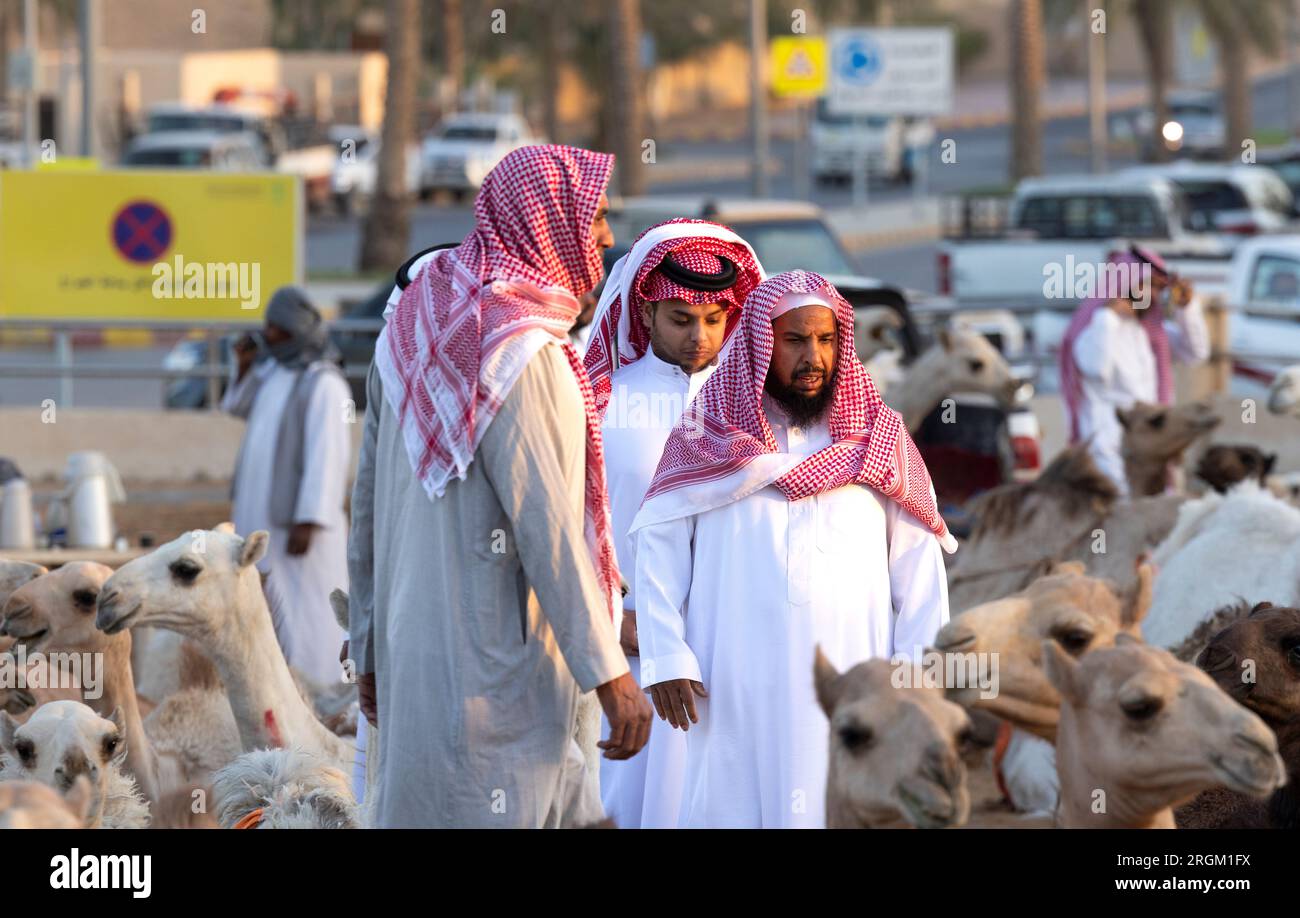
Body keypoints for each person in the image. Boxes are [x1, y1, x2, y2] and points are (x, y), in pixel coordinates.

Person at [346, 145, 651, 828]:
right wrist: (611, 675)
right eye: (594, 217)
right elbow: (550, 528)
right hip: (492, 674)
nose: (604, 235)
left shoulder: (410, 325)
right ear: (545, 223)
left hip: (409, 650)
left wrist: (367, 645)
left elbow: (363, 509)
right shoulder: (523, 353)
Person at [631, 270, 955, 828]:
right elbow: (659, 552)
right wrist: (665, 655)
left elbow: (920, 573)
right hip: (729, 685)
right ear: (760, 344)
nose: (814, 357)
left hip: (855, 692)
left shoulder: (878, 442)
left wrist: (915, 680)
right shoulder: (707, 438)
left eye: (827, 341)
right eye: (796, 340)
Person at [583, 218, 765, 828]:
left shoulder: (754, 410)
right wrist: (613, 622)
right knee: (630, 805)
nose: (699, 337)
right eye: (681, 320)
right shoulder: (602, 405)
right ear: (647, 311)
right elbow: (573, 526)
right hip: (630, 652)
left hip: (735, 651)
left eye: (714, 320)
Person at [222, 286, 350, 685]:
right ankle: (281, 684)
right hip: (264, 520)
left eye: (276, 328)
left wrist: (309, 519)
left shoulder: (324, 383)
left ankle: (324, 684)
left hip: (298, 529)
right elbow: (235, 407)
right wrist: (243, 365)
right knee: (271, 601)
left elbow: (327, 457)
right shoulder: (275, 370)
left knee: (310, 607)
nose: (268, 335)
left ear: (295, 332)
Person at [1059, 244, 1210, 494]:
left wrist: (1187, 309)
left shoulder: (1147, 333)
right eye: (1148, 286)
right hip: (1108, 451)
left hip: (1149, 448)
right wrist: (1109, 316)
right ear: (1125, 284)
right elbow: (1097, 369)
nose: (1153, 295)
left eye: (1158, 288)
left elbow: (1196, 354)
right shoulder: (1094, 330)